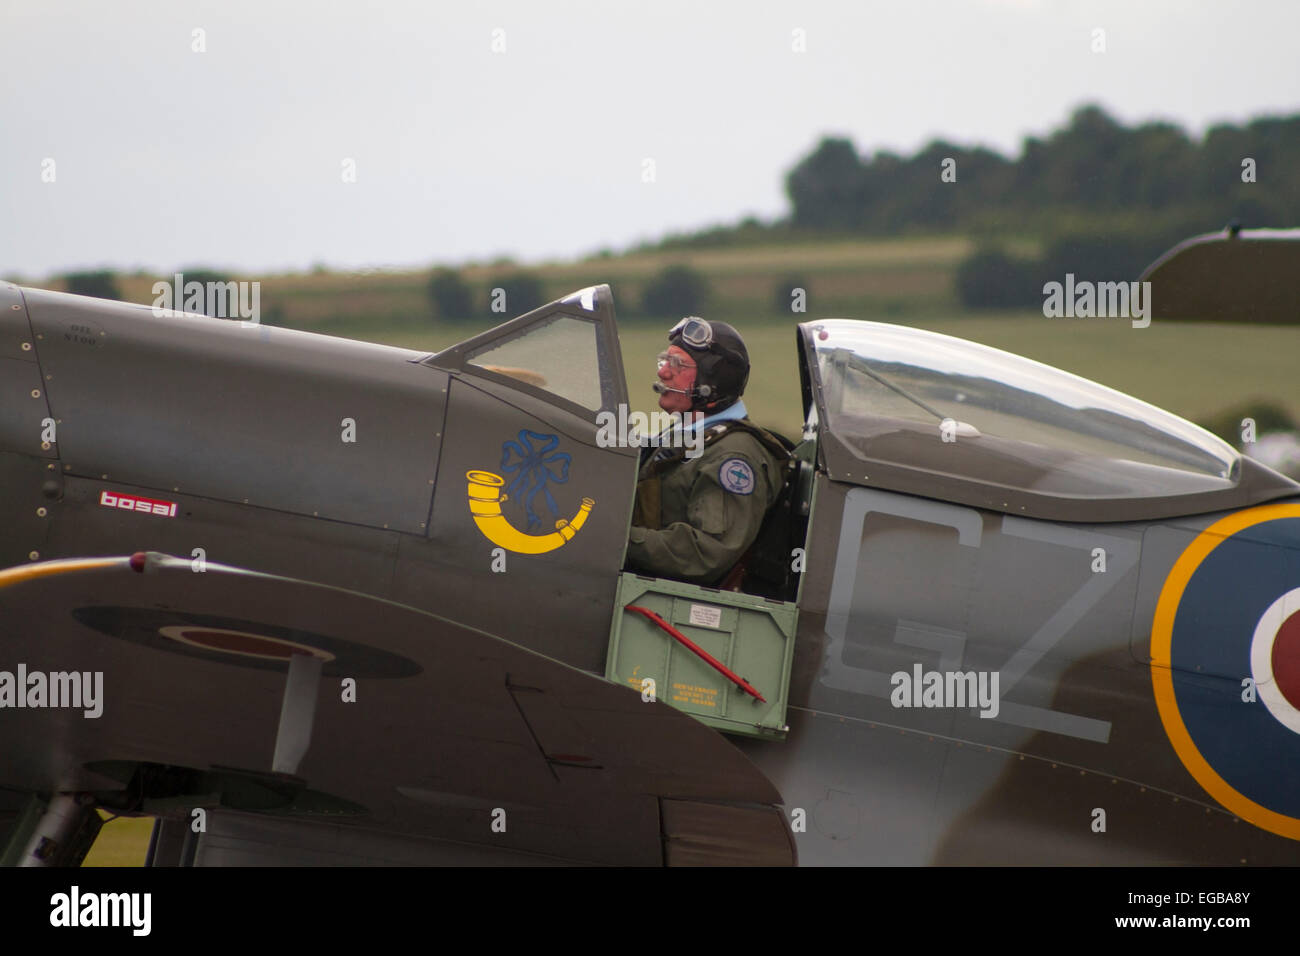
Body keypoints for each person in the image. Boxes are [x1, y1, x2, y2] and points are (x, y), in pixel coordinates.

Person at [625, 317, 788, 586]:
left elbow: (704, 553)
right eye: (664, 361)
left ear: (714, 378)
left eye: (677, 364)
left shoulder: (733, 456)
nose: (663, 372)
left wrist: (616, 536)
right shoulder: (684, 436)